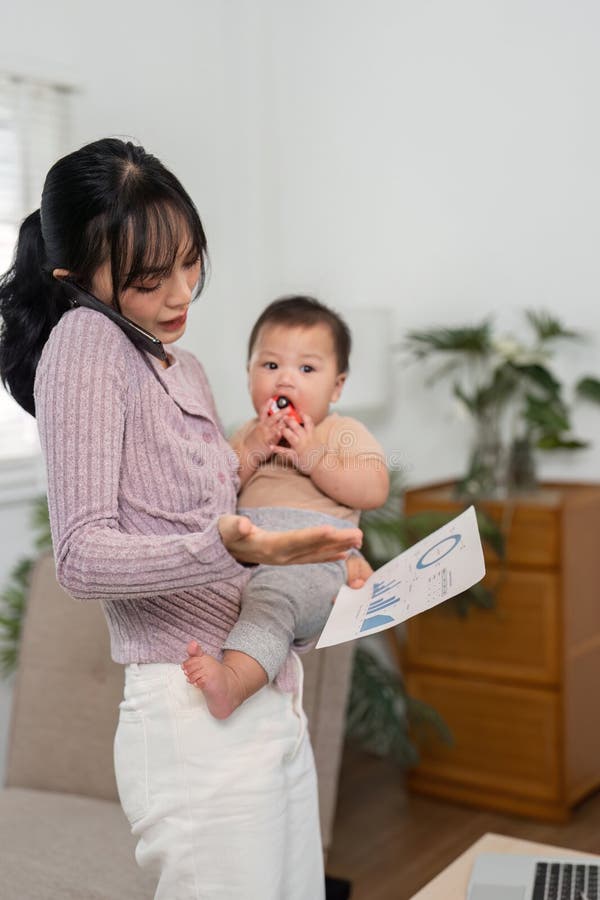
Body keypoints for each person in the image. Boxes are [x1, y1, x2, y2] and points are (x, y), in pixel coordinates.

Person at [0, 137, 373, 900]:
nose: (181, 295)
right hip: (189, 710)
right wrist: (225, 546)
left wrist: (250, 479)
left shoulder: (183, 364)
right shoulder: (85, 344)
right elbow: (80, 557)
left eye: (190, 261)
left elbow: (193, 506)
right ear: (77, 280)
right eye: (149, 278)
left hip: (265, 690)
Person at [182, 296, 389, 719]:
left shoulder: (342, 432)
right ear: (248, 375)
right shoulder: (246, 433)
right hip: (245, 553)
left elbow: (373, 489)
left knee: (274, 600)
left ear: (337, 386)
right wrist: (255, 448)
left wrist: (315, 457)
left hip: (309, 559)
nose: (286, 382)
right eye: (271, 366)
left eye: (307, 369)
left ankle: (236, 683)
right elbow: (214, 492)